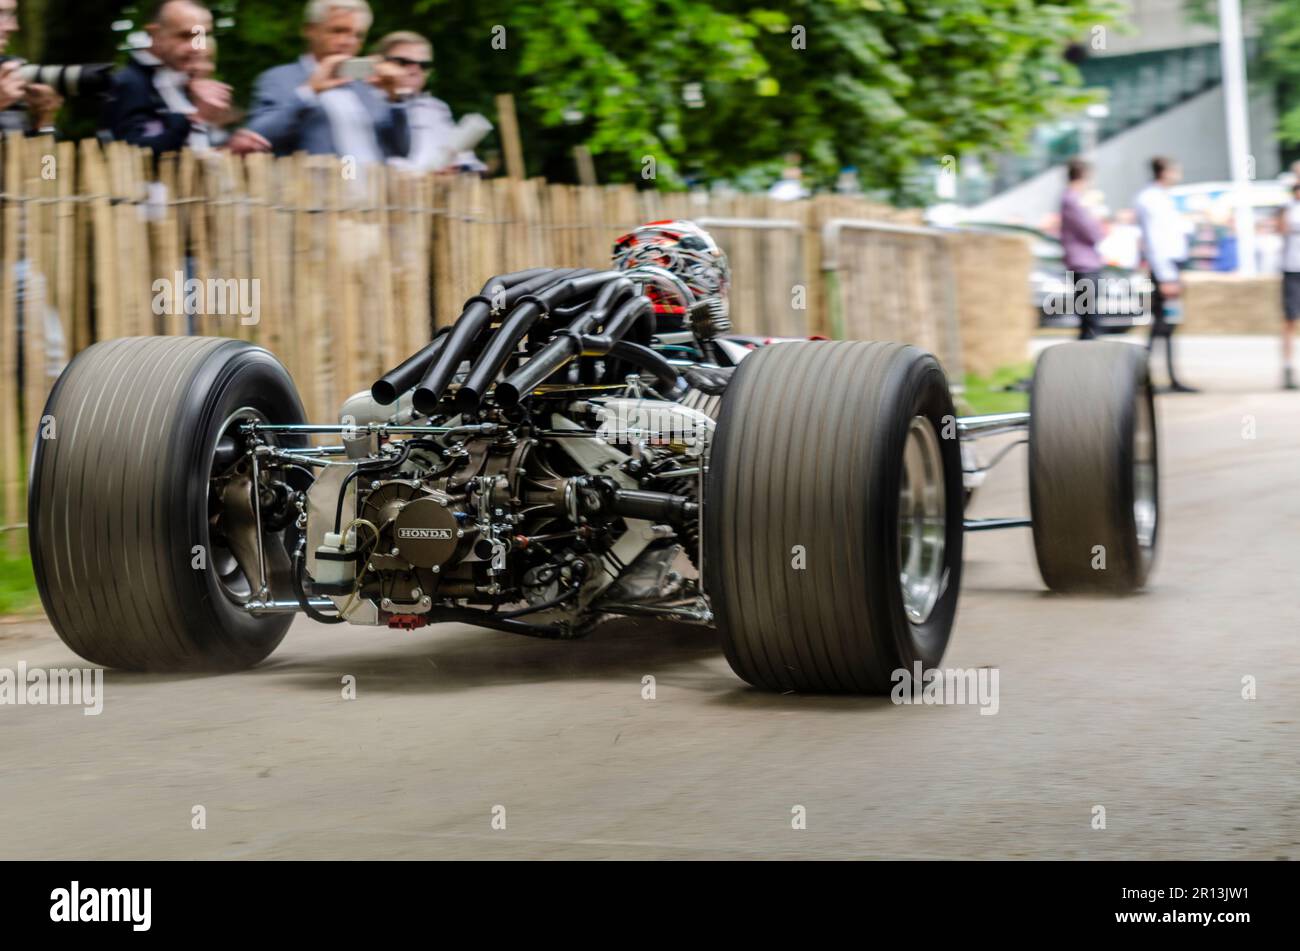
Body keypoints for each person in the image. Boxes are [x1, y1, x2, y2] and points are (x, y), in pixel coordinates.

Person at [231, 0, 409, 162]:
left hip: (374, 185)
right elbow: (257, 138)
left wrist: (396, 100)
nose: (348, 41)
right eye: (338, 31)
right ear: (309, 30)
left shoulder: (367, 83)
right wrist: (308, 91)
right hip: (317, 185)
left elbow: (401, 150)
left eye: (358, 35)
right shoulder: (278, 79)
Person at [102, 0, 234, 154]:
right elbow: (133, 153)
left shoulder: (185, 81)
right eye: (185, 35)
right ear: (155, 34)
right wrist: (196, 117)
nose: (198, 47)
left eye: (203, 35)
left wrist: (233, 146)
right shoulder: (129, 83)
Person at [376, 31, 486, 175]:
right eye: (403, 62)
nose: (415, 70)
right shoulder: (364, 104)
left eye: (424, 65)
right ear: (380, 64)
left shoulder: (435, 108)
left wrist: (461, 168)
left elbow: (461, 156)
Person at [1135, 156, 1197, 392]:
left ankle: (1166, 376)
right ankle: (1146, 377)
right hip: (1166, 268)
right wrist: (1166, 276)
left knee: (1169, 323)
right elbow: (1155, 239)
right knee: (1162, 323)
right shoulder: (1151, 199)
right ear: (1164, 172)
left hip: (1171, 266)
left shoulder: (1162, 197)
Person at [1059, 157, 1106, 340]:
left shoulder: (1072, 199)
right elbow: (1092, 232)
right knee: (1090, 319)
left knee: (1088, 317)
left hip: (1083, 262)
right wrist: (1098, 218)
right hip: (1083, 263)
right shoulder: (1073, 200)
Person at [0, 0, 63, 135]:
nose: (13, 26)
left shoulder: (9, 72)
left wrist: (45, 119)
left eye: (12, 14)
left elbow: (46, 152)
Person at [1277, 182, 1300, 390]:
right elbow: (1281, 230)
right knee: (1290, 320)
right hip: (1293, 269)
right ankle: (1287, 367)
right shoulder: (1288, 209)